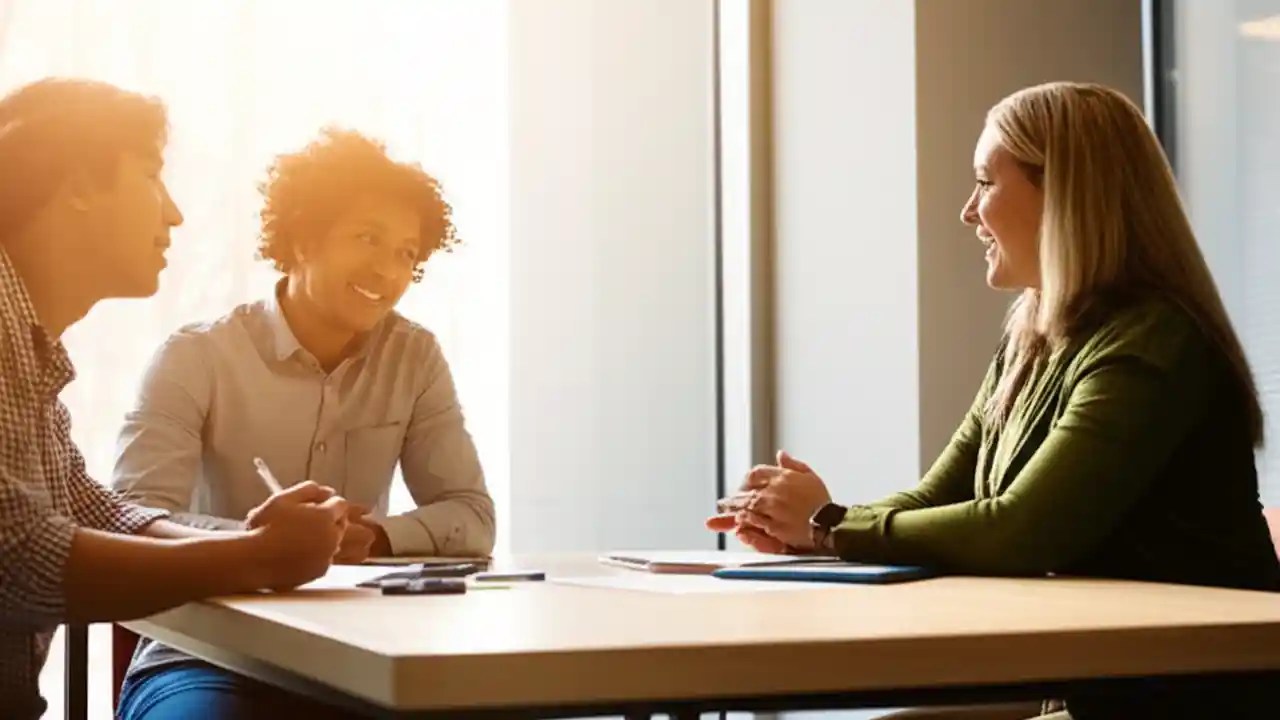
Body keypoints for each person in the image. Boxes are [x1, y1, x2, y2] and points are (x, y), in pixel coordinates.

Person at [708, 82, 1280, 719]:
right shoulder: (1032, 333)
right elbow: (940, 498)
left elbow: (1020, 530)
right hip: (1098, 691)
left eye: (985, 181)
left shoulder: (1153, 343)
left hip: (1194, 702)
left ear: (1064, 194)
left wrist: (832, 526)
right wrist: (814, 529)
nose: (968, 211)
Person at [113, 127, 496, 718]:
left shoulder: (415, 358)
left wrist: (379, 538)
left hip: (367, 658)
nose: (389, 270)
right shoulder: (197, 357)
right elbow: (131, 517)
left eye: (406, 254)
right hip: (206, 659)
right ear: (300, 240)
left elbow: (471, 515)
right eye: (368, 238)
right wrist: (263, 543)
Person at [0, 78, 349, 719]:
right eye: (152, 176)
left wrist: (250, 543)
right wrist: (254, 556)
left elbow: (84, 506)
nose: (174, 213)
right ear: (77, 184)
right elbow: (14, 555)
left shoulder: (29, 342)